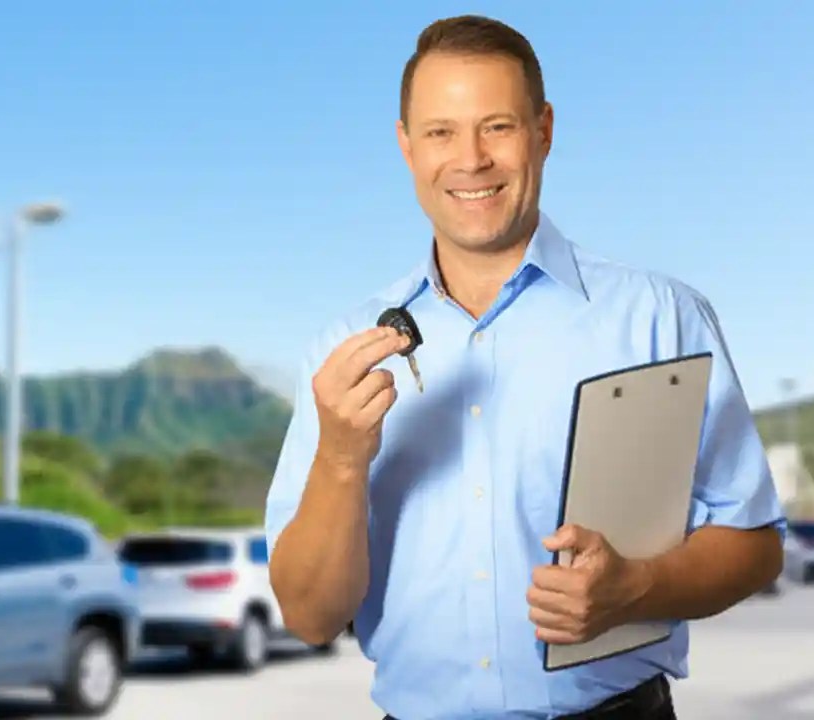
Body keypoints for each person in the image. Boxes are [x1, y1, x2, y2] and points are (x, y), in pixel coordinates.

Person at [263, 14, 785, 720]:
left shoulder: (663, 318)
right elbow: (308, 617)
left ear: (543, 130)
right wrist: (342, 460)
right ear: (406, 146)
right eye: (441, 131)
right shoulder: (343, 351)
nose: (470, 159)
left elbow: (753, 544)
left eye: (498, 127)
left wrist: (640, 586)